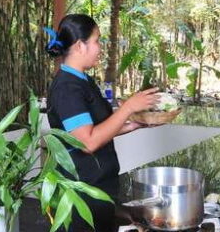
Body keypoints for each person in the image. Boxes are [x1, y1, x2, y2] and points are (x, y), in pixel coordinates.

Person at [45, 14, 159, 199]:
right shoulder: (67, 88)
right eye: (97, 41)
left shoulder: (83, 80)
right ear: (80, 46)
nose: (101, 48)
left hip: (100, 184)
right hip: (81, 191)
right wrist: (128, 108)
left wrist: (133, 124)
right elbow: (87, 143)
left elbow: (99, 128)